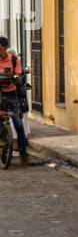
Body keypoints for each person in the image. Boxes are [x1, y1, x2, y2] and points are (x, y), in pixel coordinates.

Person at [0, 36, 28, 164]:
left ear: (5, 48)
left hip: (11, 95)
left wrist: (14, 76)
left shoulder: (15, 60)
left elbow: (19, 75)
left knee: (18, 124)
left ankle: (23, 152)